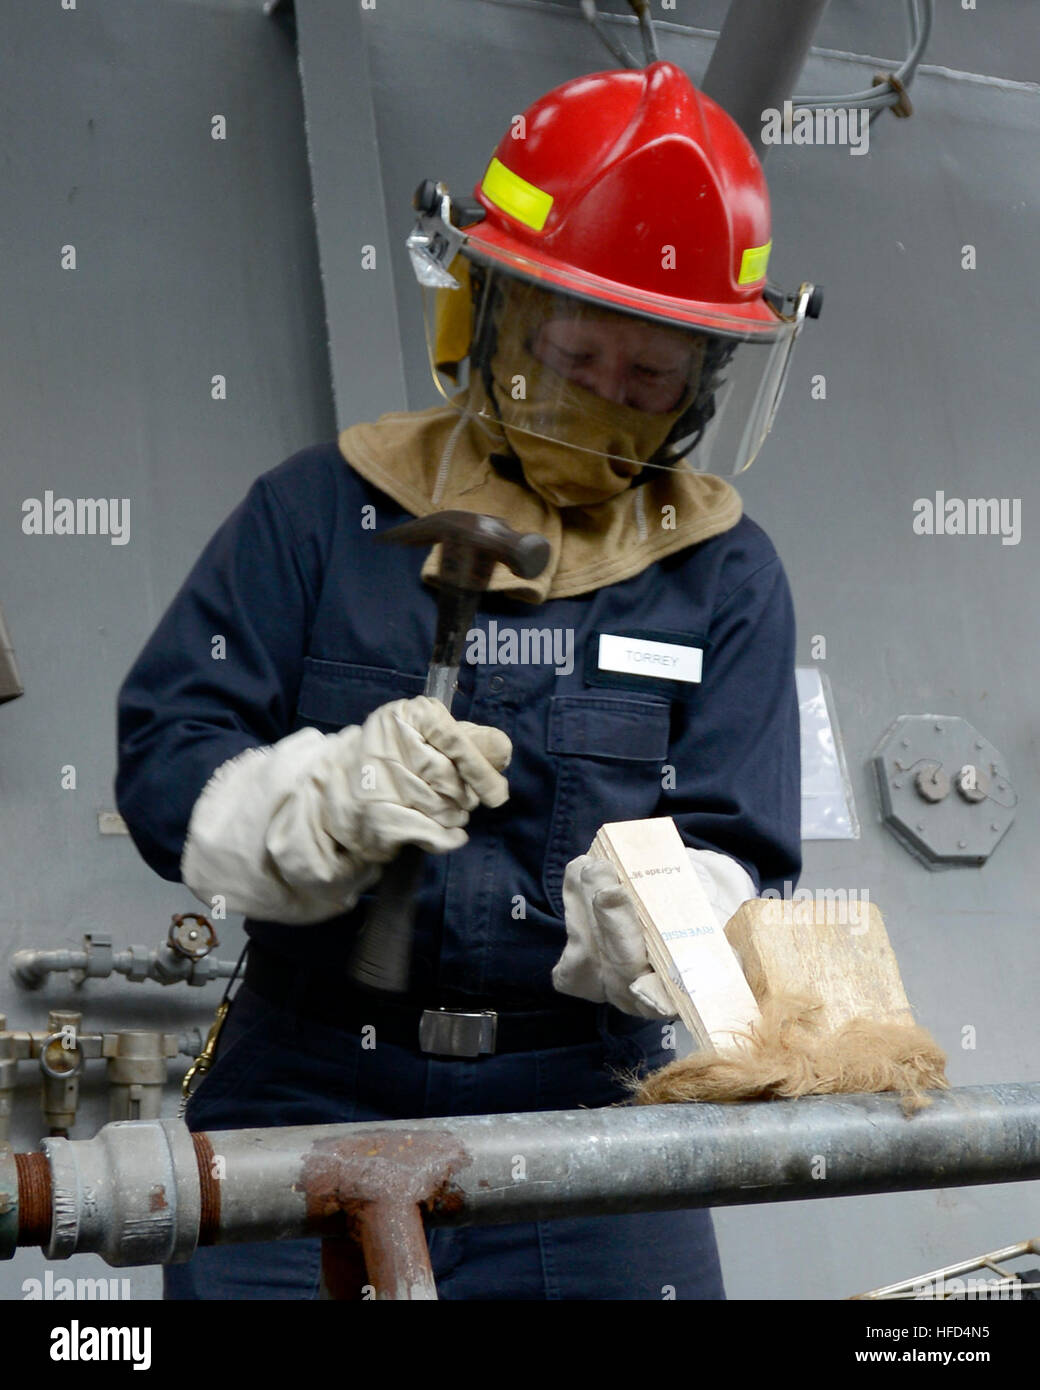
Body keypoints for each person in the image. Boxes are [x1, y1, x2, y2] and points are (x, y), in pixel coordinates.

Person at [115, 60, 813, 1300]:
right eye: (572, 355)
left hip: (591, 1097)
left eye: (647, 380)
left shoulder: (726, 575)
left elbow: (744, 847)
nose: (602, 404)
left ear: (701, 389)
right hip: (304, 1081)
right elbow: (169, 768)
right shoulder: (317, 509)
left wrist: (661, 918)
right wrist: (311, 801)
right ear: (485, 318)